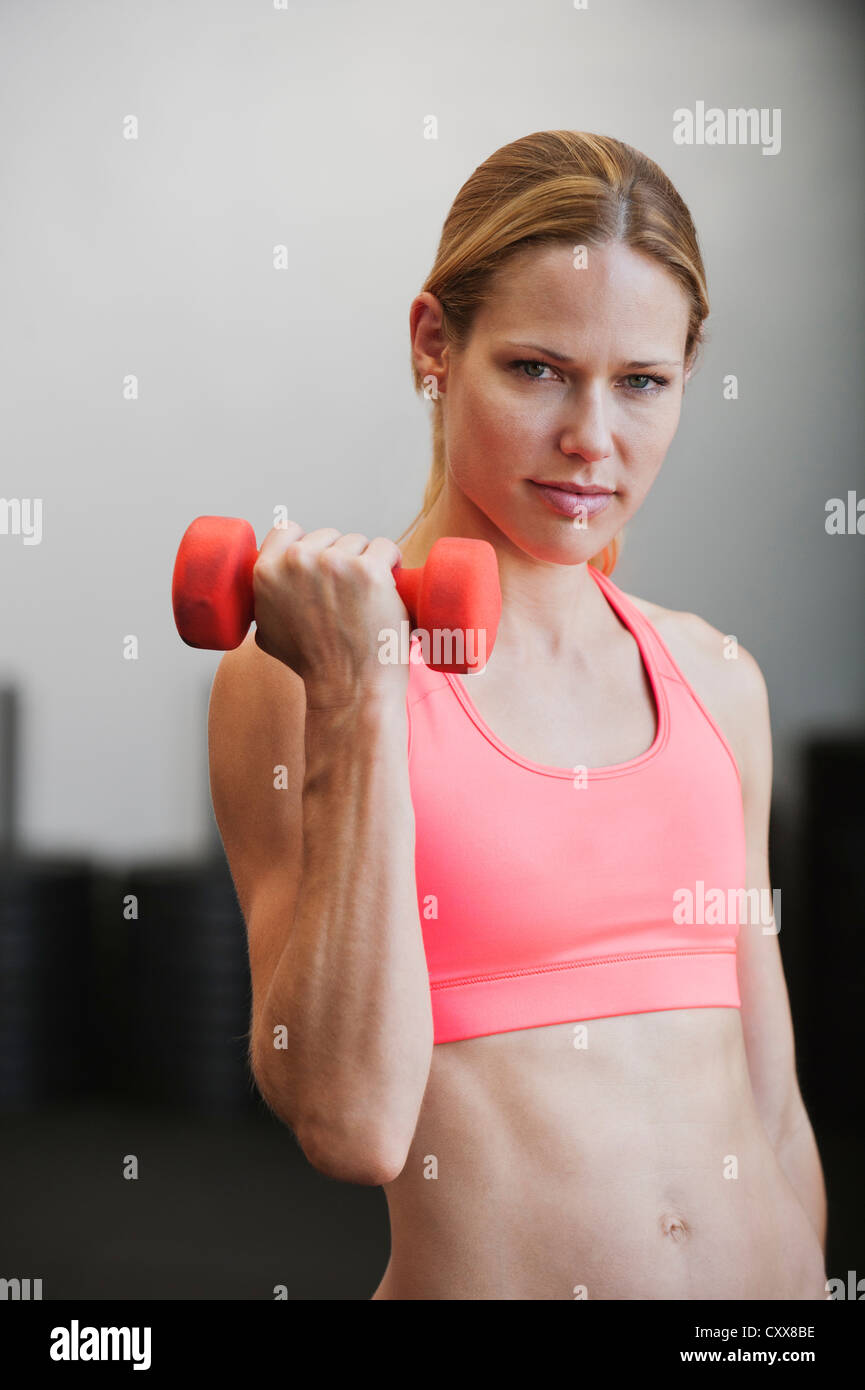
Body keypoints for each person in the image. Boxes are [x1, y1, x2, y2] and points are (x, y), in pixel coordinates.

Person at [208, 131, 827, 1300]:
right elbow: (350, 1119)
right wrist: (358, 695)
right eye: (539, 369)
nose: (593, 437)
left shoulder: (714, 678)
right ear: (435, 344)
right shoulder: (298, 679)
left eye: (640, 381)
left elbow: (774, 1107)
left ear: (687, 374)